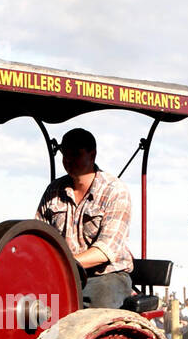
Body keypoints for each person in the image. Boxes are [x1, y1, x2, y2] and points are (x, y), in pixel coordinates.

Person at [36, 128, 134, 309]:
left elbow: (105, 251)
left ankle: (99, 338)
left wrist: (64, 263)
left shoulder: (115, 190)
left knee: (95, 297)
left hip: (106, 275)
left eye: (75, 154)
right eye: (65, 154)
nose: (68, 160)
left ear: (92, 154)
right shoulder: (54, 190)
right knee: (28, 302)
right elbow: (39, 237)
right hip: (64, 273)